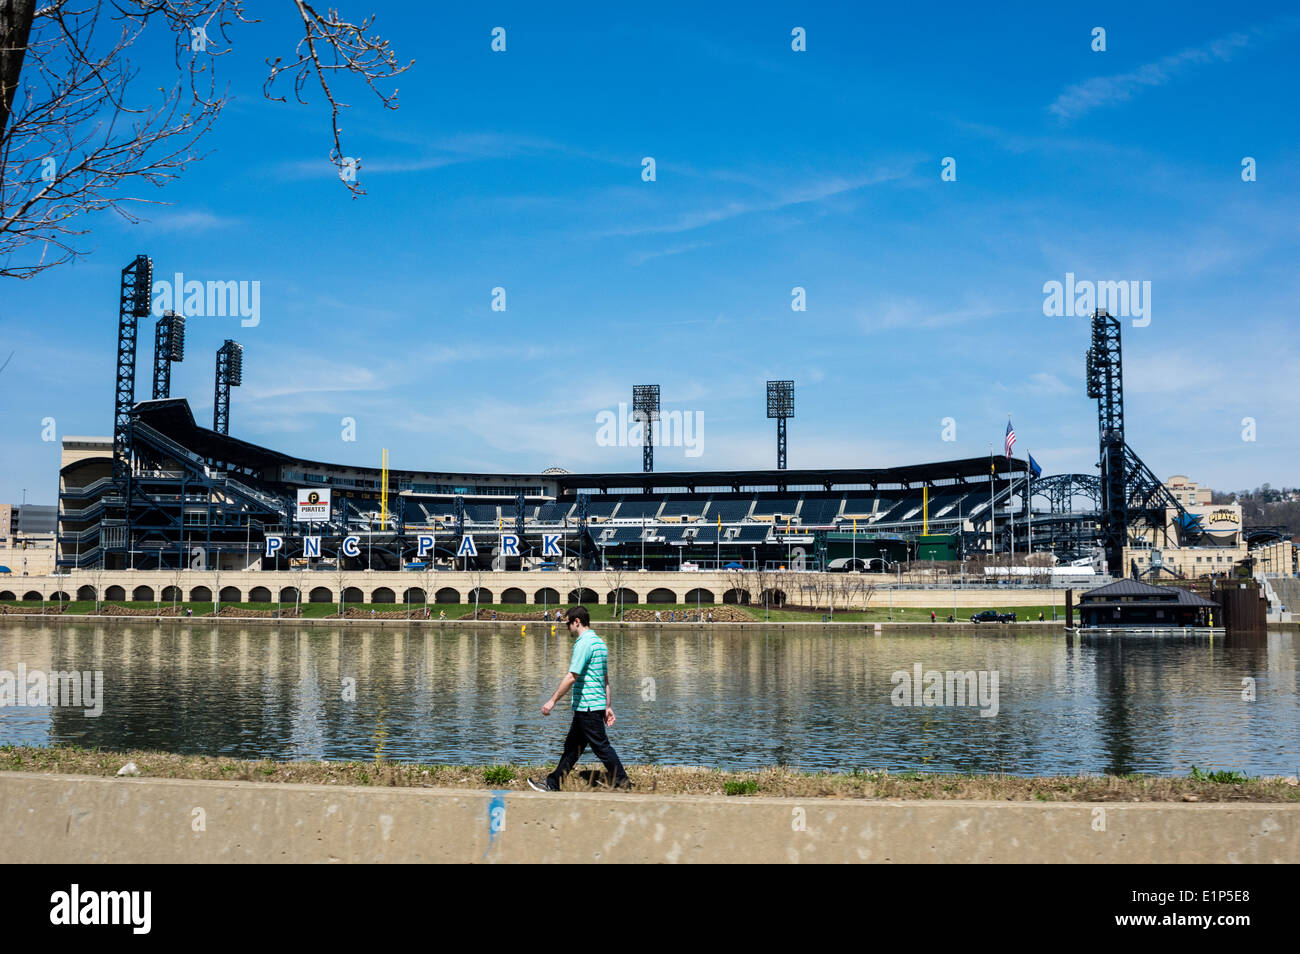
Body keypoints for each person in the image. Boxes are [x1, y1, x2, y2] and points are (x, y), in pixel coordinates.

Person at [529, 606, 630, 792]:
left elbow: (571, 676)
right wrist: (607, 706)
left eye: (567, 623)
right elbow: (604, 679)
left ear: (577, 622)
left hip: (588, 707)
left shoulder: (583, 643)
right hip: (593, 705)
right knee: (572, 748)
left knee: (601, 747)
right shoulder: (600, 643)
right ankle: (553, 783)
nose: (567, 627)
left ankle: (623, 782)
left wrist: (552, 701)